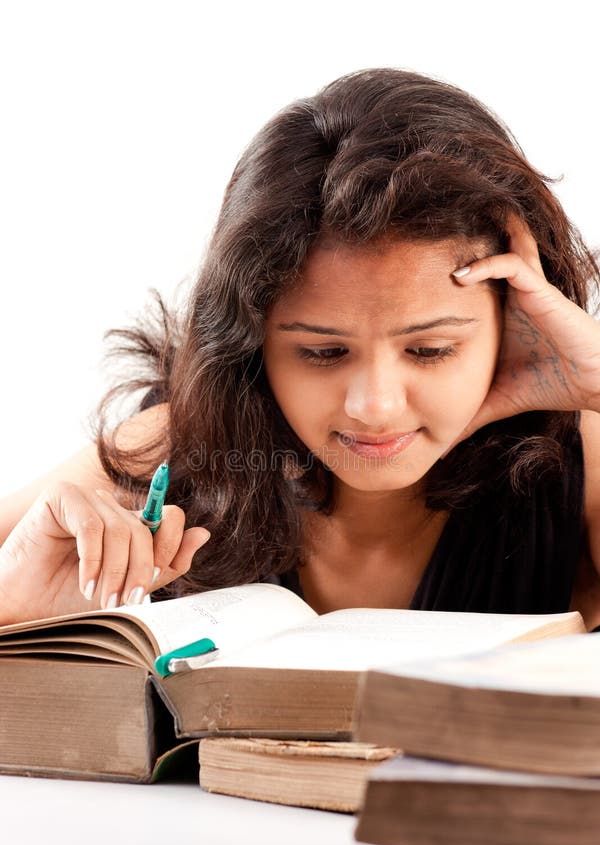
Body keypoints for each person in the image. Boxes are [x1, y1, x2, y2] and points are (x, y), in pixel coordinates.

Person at [1, 66, 600, 628]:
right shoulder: (171, 448)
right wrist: (13, 605)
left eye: (431, 350)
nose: (375, 407)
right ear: (251, 340)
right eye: (322, 353)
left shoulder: (579, 462)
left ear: (513, 321)